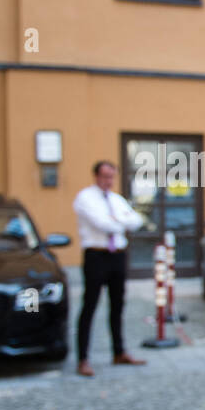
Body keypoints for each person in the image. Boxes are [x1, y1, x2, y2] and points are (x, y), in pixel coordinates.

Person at [72, 161, 147, 377]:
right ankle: (83, 358)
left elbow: (136, 220)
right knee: (90, 306)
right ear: (96, 176)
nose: (109, 181)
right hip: (96, 255)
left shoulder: (117, 199)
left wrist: (118, 220)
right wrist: (119, 221)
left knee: (117, 306)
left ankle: (119, 351)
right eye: (105, 176)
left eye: (111, 176)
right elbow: (102, 224)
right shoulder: (85, 198)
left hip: (117, 256)